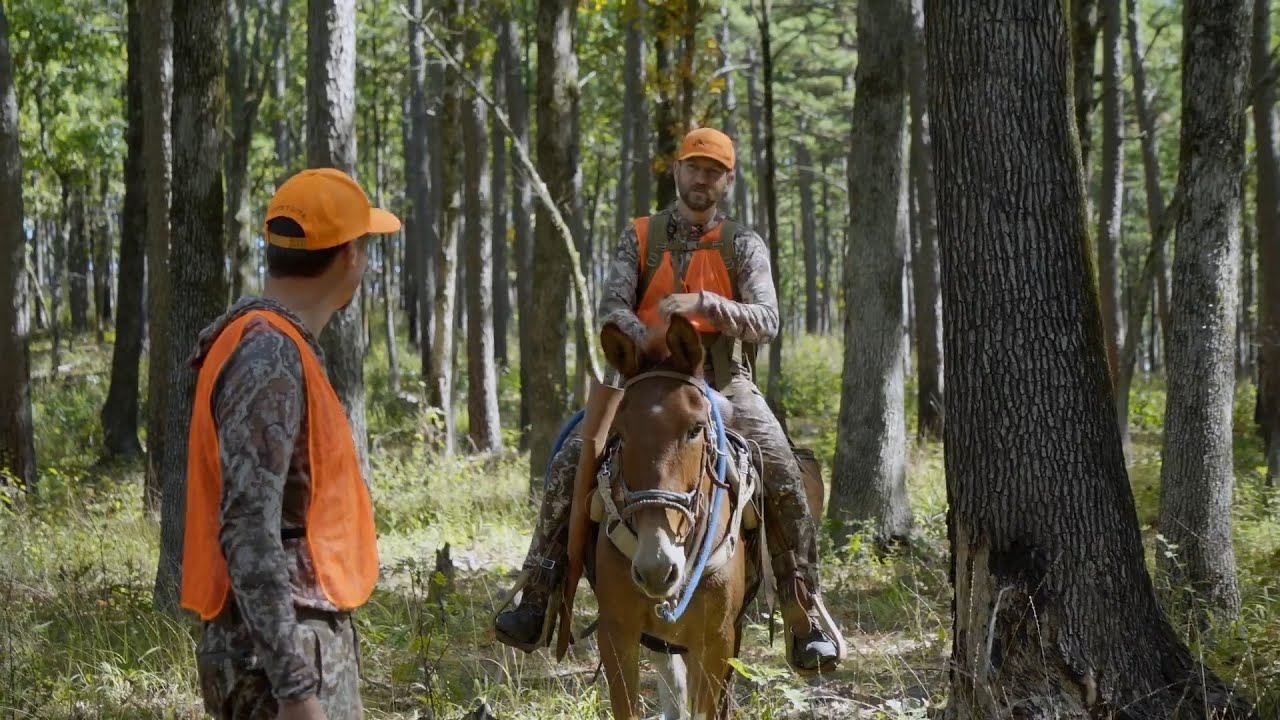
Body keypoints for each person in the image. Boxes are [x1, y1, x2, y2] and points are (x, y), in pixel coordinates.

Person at [493, 127, 846, 674]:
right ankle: (538, 591)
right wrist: (648, 338)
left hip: (726, 385)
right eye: (693, 168)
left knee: (781, 468)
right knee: (568, 462)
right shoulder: (639, 236)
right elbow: (611, 307)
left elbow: (768, 319)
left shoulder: (743, 244)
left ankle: (804, 613)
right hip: (644, 381)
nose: (701, 179)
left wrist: (706, 304)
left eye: (713, 171)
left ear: (727, 181)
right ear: (677, 171)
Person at [180, 167, 400, 719]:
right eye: (366, 248)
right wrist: (296, 688)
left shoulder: (269, 346)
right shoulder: (268, 356)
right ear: (350, 254)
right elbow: (249, 525)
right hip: (278, 658)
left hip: (286, 645)